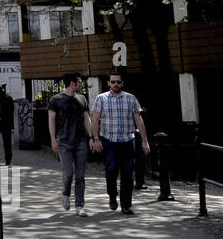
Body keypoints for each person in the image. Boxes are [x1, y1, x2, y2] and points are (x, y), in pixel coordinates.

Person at [91, 72, 149, 214]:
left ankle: (126, 205)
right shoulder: (101, 99)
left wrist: (145, 142)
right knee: (111, 172)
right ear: (108, 83)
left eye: (118, 82)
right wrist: (96, 139)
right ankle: (112, 195)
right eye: (113, 82)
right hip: (109, 141)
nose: (115, 84)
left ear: (122, 83)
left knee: (127, 174)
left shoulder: (131, 98)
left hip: (127, 141)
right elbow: (95, 120)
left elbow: (138, 120)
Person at [48, 72, 97, 217]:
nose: (81, 84)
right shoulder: (56, 100)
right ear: (72, 83)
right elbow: (51, 120)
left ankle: (79, 205)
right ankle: (66, 193)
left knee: (80, 176)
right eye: (80, 82)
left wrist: (92, 137)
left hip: (81, 141)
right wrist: (53, 139)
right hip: (64, 142)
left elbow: (86, 119)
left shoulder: (82, 99)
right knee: (68, 173)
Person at [0, 84, 15, 165]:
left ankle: (8, 160)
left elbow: (11, 113)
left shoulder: (8, 99)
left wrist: (12, 126)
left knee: (7, 143)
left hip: (6, 124)